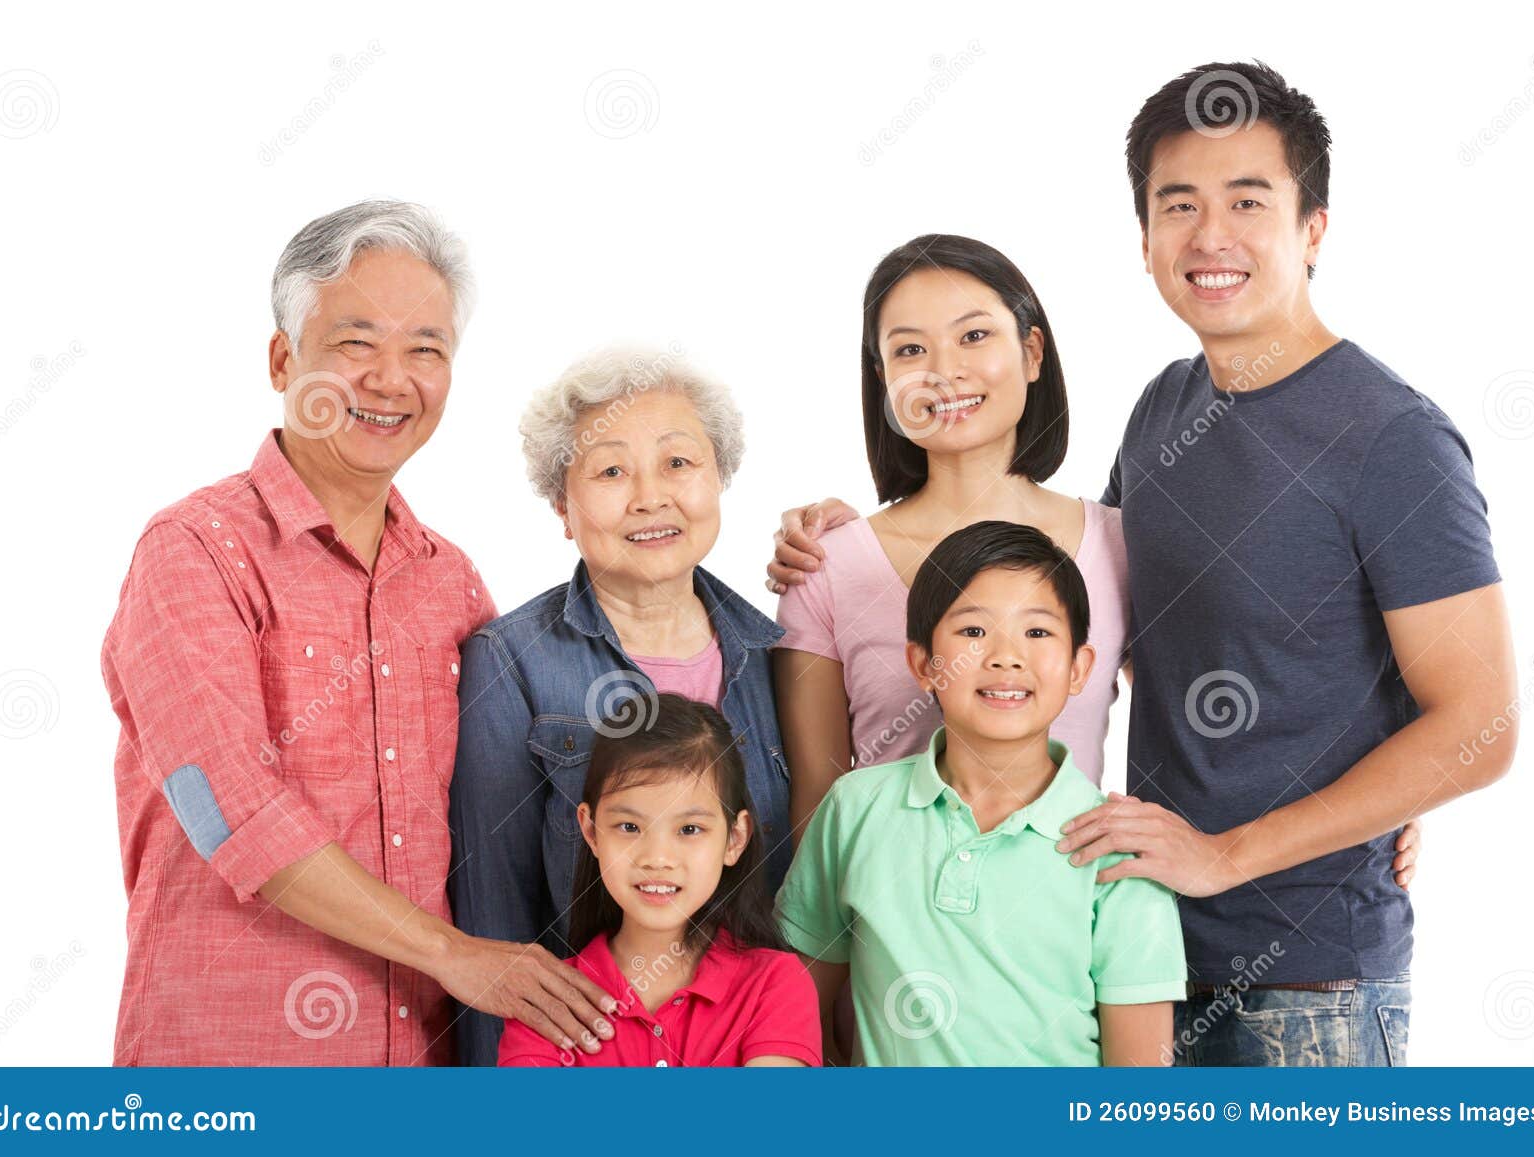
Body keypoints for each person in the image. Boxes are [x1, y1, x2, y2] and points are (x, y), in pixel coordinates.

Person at [1052, 60, 1516, 1066]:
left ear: (1313, 229)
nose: (1209, 236)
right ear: (1143, 239)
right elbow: (1096, 620)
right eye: (1179, 204)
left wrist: (1226, 854)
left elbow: (1481, 726)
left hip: (1311, 988)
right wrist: (860, 537)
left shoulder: (1392, 436)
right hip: (1145, 958)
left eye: (1248, 201)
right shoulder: (1162, 407)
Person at [101, 200, 615, 1065]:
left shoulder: (451, 581)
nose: (390, 380)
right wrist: (453, 954)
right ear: (282, 359)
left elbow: (515, 797)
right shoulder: (195, 551)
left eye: (426, 350)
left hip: (424, 1065)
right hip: (233, 1066)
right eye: (356, 342)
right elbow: (229, 807)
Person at [450, 346, 792, 1065]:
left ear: (719, 480)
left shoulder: (780, 654)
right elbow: (495, 926)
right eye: (610, 471)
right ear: (562, 507)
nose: (649, 497)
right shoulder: (512, 661)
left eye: (678, 462)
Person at [776, 521, 1186, 1065]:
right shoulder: (855, 809)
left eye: (1037, 632)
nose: (1005, 656)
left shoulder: (1117, 848)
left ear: (1079, 668)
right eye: (973, 631)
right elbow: (791, 1016)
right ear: (922, 665)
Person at [770, 234, 1130, 845]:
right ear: (885, 380)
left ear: (1032, 352)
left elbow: (1187, 749)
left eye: (974, 335)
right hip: (889, 902)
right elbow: (816, 811)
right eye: (911, 349)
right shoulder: (826, 564)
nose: (943, 372)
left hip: (1067, 895)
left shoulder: (1120, 548)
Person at [498, 695, 820, 1067]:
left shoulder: (775, 985)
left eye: (689, 829)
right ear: (591, 830)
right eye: (629, 826)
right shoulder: (545, 1004)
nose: (657, 858)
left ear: (734, 839)